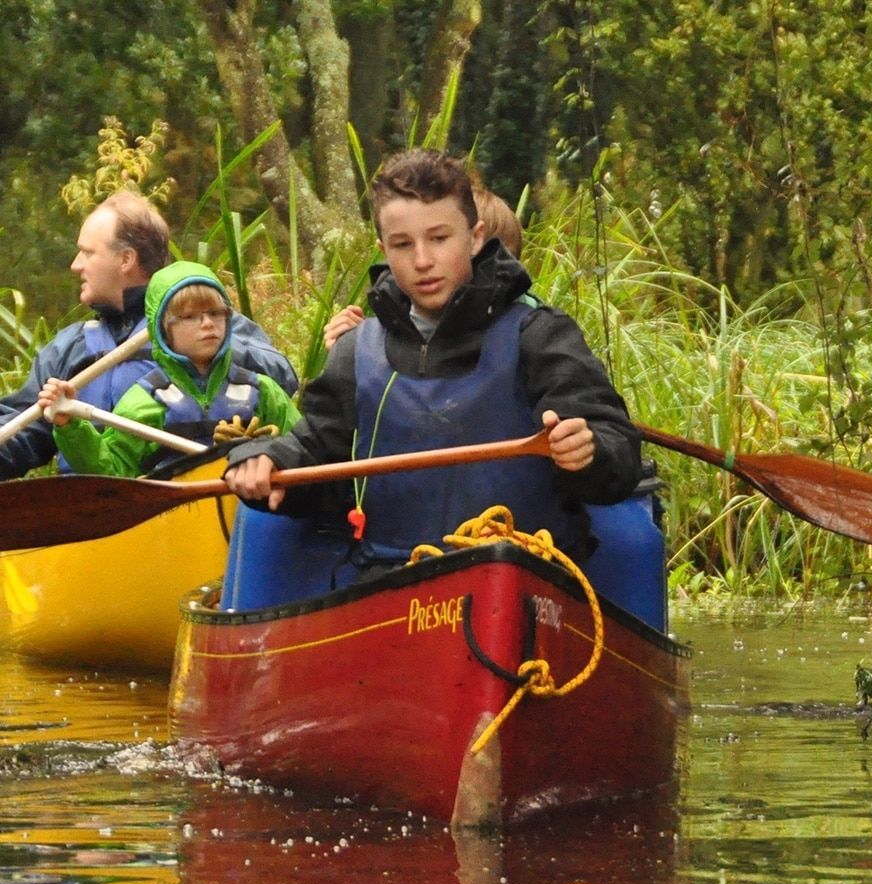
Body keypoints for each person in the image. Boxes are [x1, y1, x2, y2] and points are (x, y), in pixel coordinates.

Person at [224, 148, 641, 573]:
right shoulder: (357, 351)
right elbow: (315, 456)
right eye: (403, 244)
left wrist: (590, 451)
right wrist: (266, 462)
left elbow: (618, 452)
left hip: (524, 571)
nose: (422, 261)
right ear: (383, 248)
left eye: (439, 239)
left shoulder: (539, 335)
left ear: (476, 237)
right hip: (389, 579)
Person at [0, 191, 298, 479]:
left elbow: (282, 378)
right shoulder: (71, 346)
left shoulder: (214, 323)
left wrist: (197, 345)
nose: (75, 264)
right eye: (192, 316)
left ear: (126, 259)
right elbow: (21, 431)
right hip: (92, 509)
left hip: (191, 496)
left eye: (88, 253)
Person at [37, 261, 300, 478]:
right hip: (175, 522)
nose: (208, 323)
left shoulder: (263, 391)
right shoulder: (145, 401)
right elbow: (111, 469)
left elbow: (304, 449)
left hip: (248, 514)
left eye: (216, 313)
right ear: (164, 329)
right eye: (190, 316)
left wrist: (265, 450)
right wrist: (70, 425)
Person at [322, 185, 523, 350]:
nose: (491, 279)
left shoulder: (531, 336)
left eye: (503, 265)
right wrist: (354, 353)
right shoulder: (391, 327)